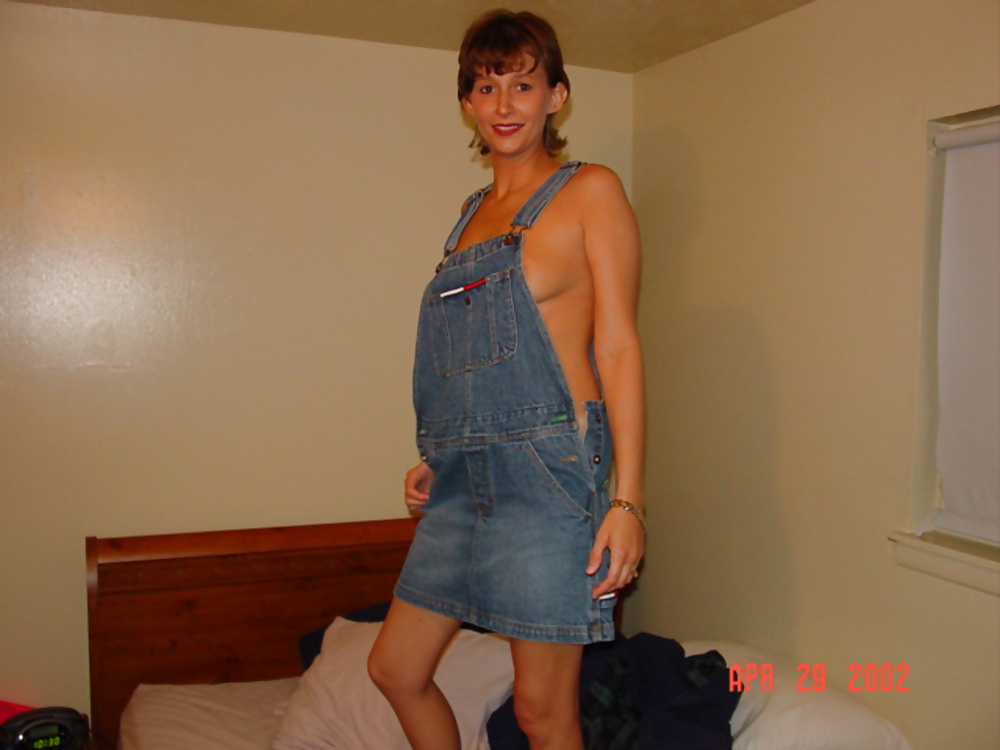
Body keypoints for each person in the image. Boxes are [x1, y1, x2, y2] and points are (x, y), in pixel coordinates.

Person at [368, 9, 646, 750]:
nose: (504, 105)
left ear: (557, 95)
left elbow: (619, 346)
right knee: (394, 669)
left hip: (549, 472)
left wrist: (628, 500)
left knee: (541, 713)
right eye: (487, 87)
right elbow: (469, 360)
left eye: (522, 85)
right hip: (463, 479)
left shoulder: (591, 190)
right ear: (467, 102)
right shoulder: (468, 218)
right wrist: (444, 456)